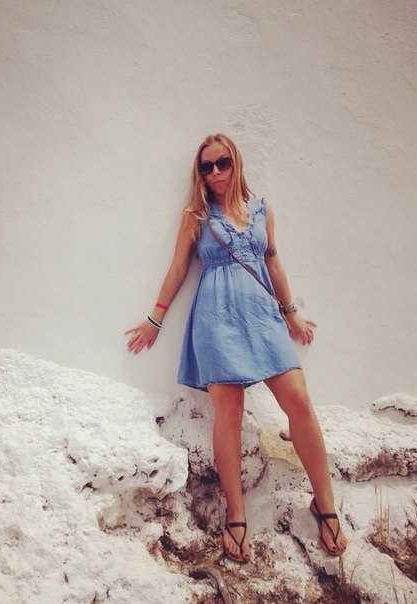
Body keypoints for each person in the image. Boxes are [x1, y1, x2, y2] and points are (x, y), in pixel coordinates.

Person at [125, 133, 347, 563]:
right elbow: (178, 267)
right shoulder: (196, 215)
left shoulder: (261, 209)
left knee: (299, 401)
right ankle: (236, 513)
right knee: (228, 414)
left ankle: (325, 503)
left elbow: (273, 260)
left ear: (236, 162)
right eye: (206, 166)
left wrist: (291, 313)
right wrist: (155, 318)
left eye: (222, 162)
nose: (215, 172)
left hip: (262, 315)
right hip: (217, 317)